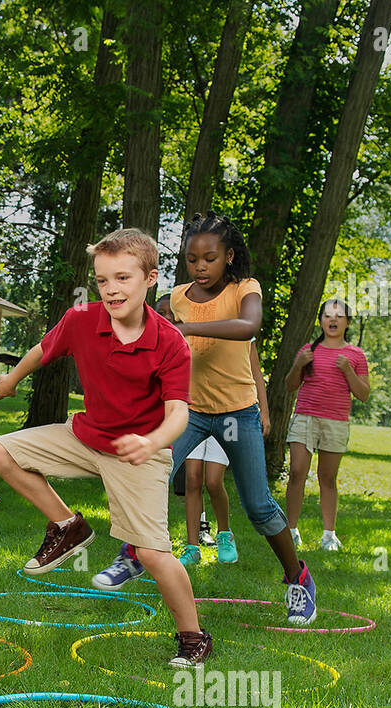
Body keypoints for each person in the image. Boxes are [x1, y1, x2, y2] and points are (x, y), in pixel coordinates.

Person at [0, 228, 214, 668]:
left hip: (141, 451)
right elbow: (42, 348)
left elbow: (179, 414)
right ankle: (67, 527)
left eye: (123, 278)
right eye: (103, 279)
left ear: (150, 279)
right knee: (2, 450)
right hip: (85, 436)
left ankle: (194, 637)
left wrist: (151, 441)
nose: (111, 289)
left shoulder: (170, 342)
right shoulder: (80, 320)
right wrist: (12, 377)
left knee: (150, 553)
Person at [157, 210, 317, 625]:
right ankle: (132, 557)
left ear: (228, 255)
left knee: (259, 507)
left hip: (237, 413)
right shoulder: (175, 298)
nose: (200, 266)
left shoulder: (246, 288)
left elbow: (250, 325)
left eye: (209, 258)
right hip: (189, 411)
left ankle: (297, 577)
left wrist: (188, 329)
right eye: (192, 259)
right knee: (151, 476)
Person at [284, 298, 370, 550]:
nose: (332, 320)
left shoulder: (355, 355)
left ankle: (329, 535)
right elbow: (290, 385)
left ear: (348, 322)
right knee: (297, 471)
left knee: (327, 478)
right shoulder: (308, 351)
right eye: (328, 316)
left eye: (339, 316)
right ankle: (291, 531)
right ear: (320, 320)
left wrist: (347, 371)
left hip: (335, 422)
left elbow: (363, 394)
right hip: (305, 417)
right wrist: (299, 365)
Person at [180, 341, 270, 566]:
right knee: (192, 479)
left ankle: (224, 534)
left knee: (212, 481)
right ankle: (192, 547)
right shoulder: (192, 324)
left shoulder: (241, 331)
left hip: (228, 416)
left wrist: (264, 412)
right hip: (195, 412)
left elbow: (255, 372)